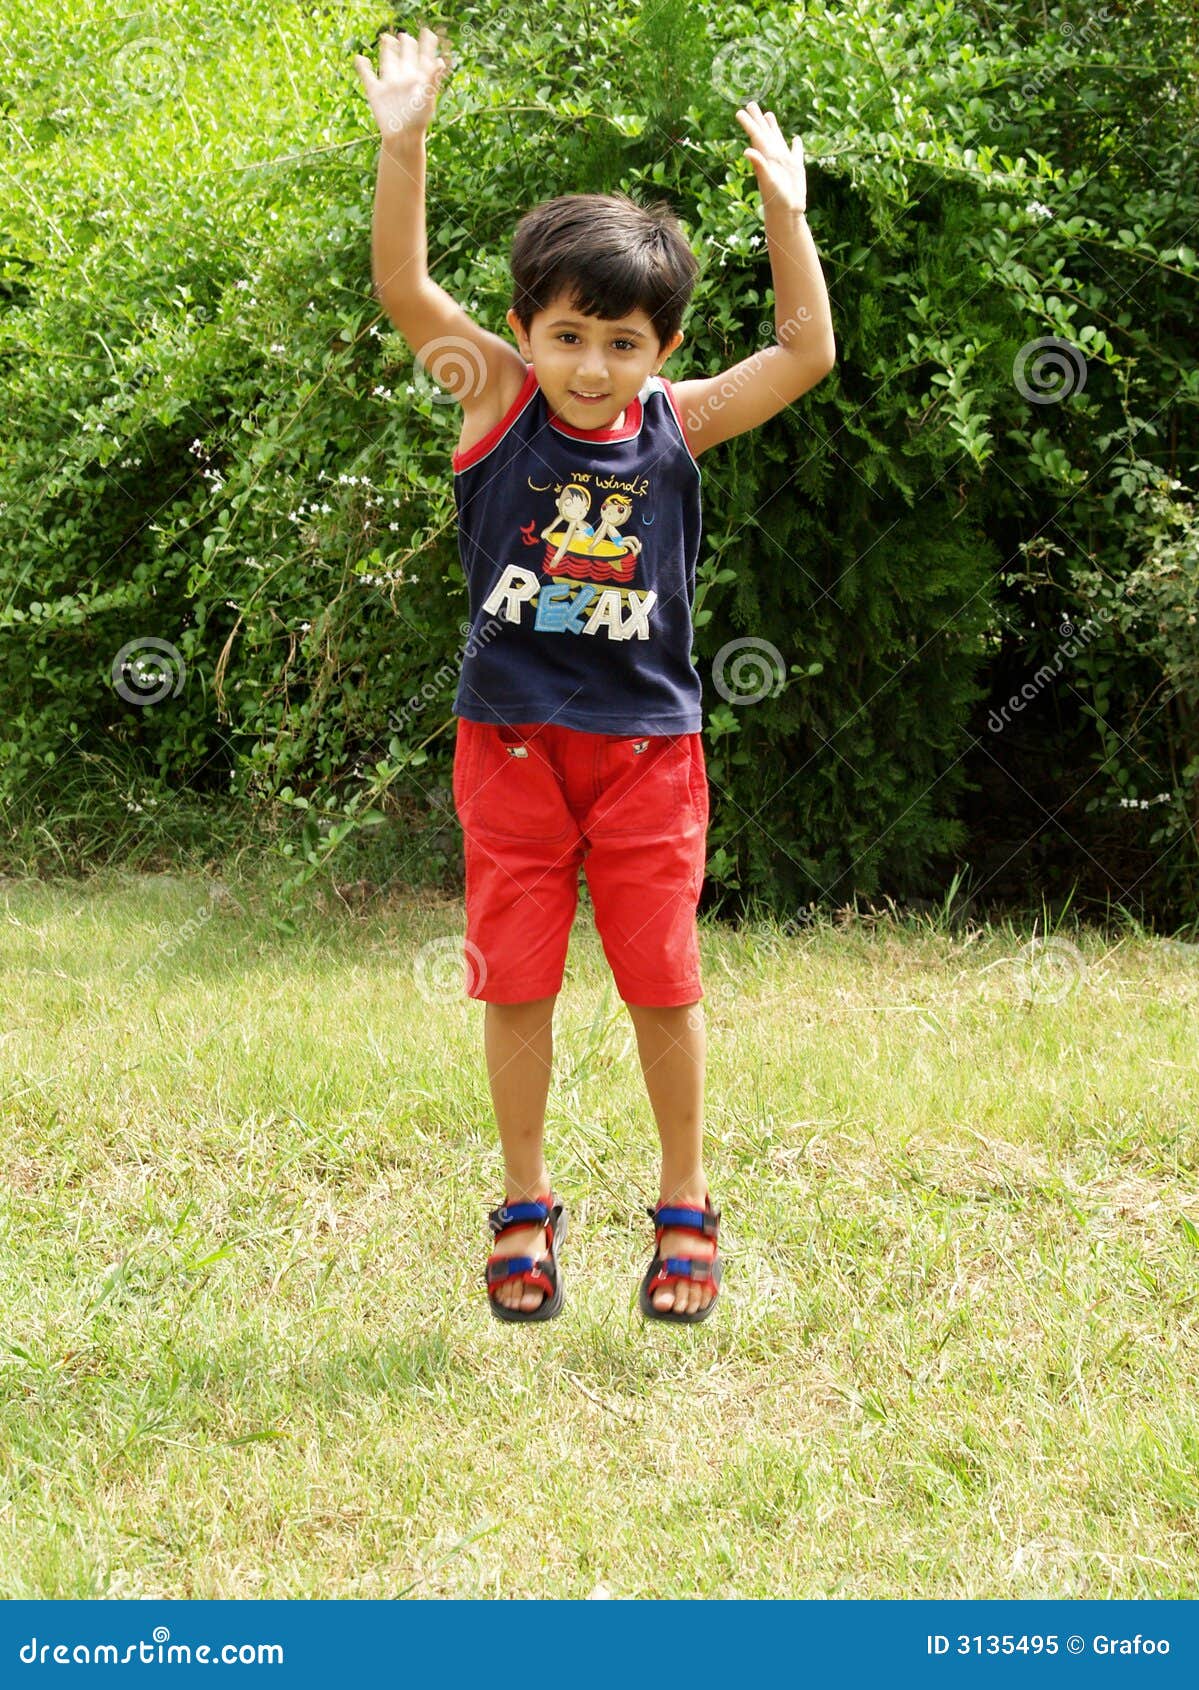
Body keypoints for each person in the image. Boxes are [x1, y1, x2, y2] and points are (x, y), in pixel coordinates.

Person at [354, 26, 835, 1325]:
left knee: (661, 984)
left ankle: (686, 1206)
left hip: (646, 756)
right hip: (508, 749)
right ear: (525, 328)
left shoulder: (675, 423)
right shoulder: (494, 401)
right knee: (516, 983)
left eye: (623, 341)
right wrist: (407, 140)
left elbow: (804, 354)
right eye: (568, 334)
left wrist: (786, 216)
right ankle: (525, 1205)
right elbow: (405, 289)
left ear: (659, 348)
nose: (591, 364)